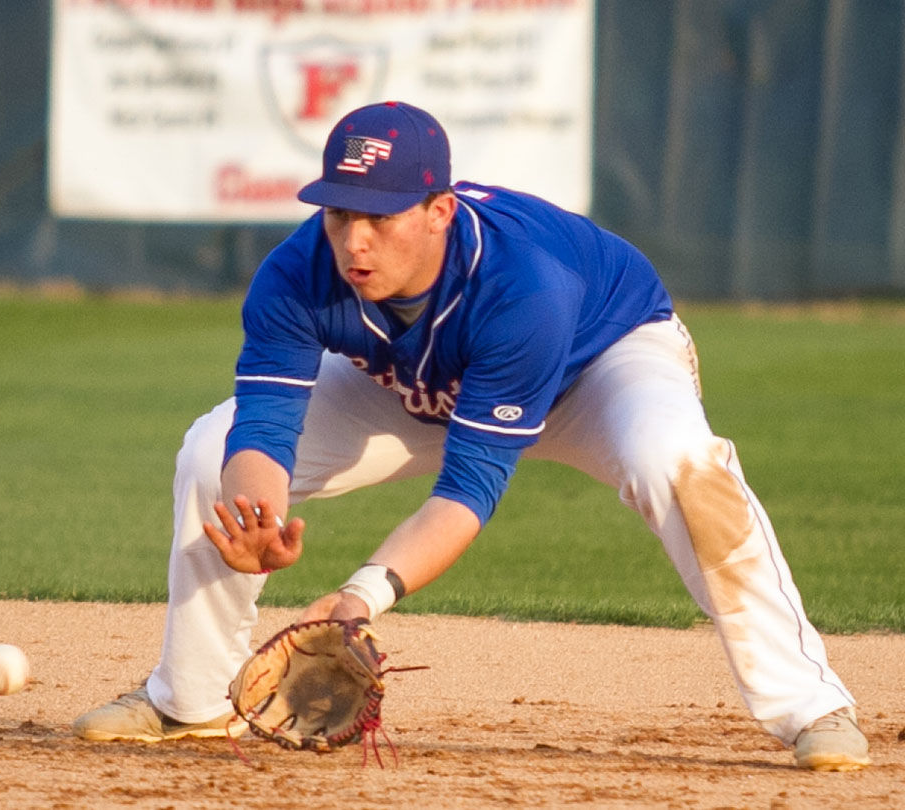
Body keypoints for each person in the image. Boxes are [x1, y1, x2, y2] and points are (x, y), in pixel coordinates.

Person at [73, 101, 869, 771]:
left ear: (439, 211)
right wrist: (260, 523)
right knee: (211, 453)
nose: (354, 242)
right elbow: (266, 427)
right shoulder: (296, 273)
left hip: (601, 364)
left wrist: (362, 597)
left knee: (680, 465)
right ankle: (188, 700)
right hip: (417, 378)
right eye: (339, 212)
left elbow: (469, 489)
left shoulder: (525, 285)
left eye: (380, 218)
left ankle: (811, 706)